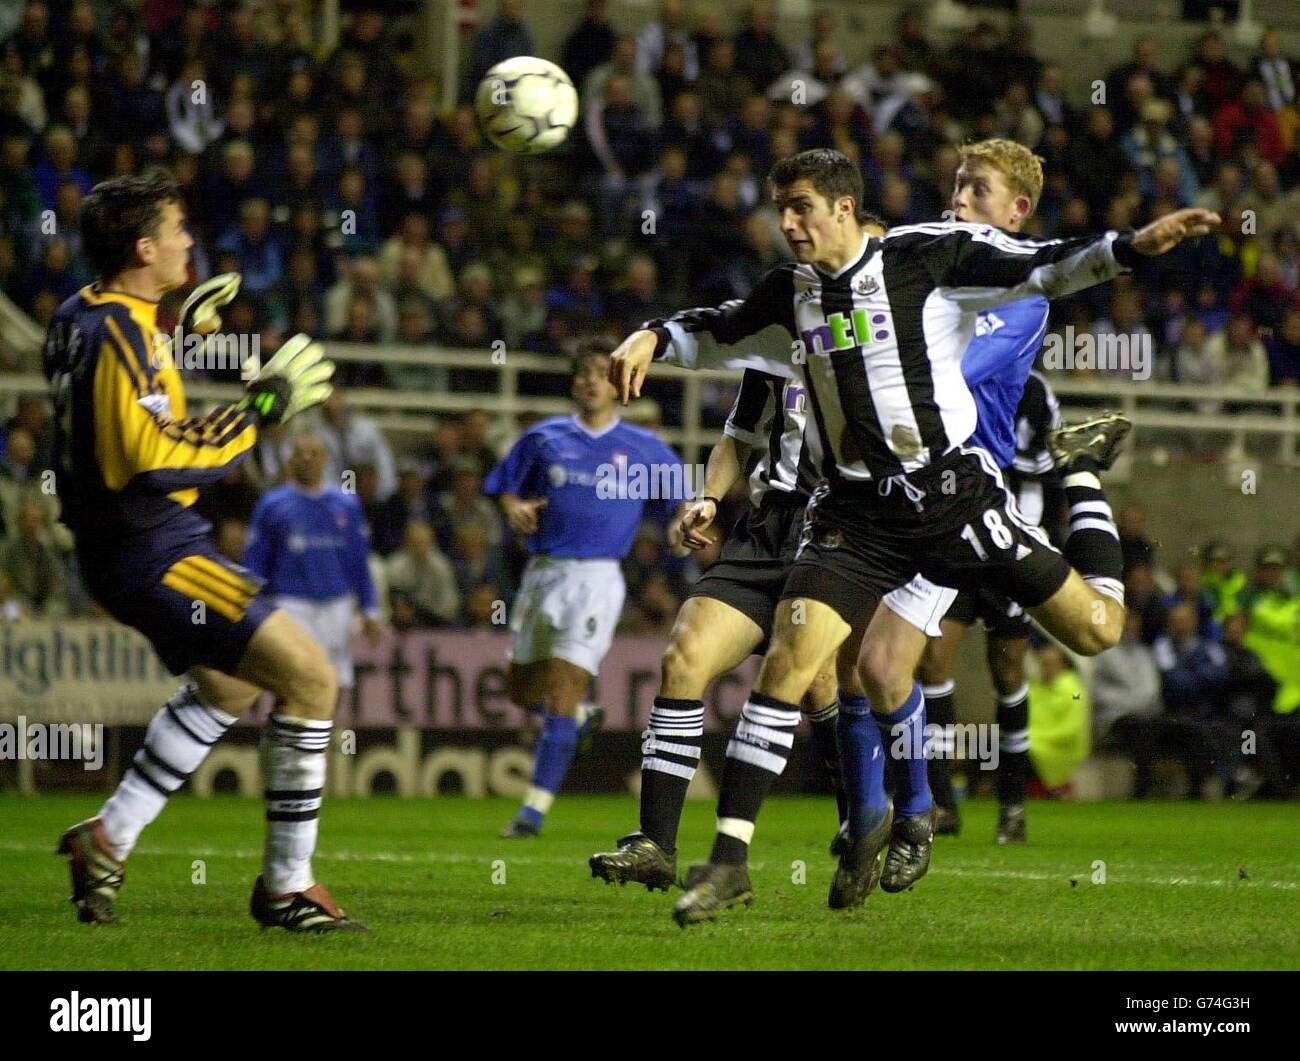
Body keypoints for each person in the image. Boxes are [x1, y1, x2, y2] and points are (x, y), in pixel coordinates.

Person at [609, 147, 1218, 924]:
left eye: (800, 207)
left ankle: (1081, 477)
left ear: (842, 208)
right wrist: (651, 338)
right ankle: (730, 859)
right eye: (780, 207)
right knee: (795, 663)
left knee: (1097, 630)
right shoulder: (788, 295)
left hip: (954, 501)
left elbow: (1045, 266)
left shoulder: (927, 256)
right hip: (854, 516)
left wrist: (1133, 246)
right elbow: (718, 332)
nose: (788, 222)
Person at [46, 172, 361, 932]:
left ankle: (107, 837)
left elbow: (127, 413)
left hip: (127, 544)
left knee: (228, 686)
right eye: (178, 228)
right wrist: (257, 410)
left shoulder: (85, 315)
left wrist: (178, 335)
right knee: (314, 679)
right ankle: (287, 885)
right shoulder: (118, 331)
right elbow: (149, 459)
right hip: (152, 548)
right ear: (144, 245)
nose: (192, 240)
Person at [485, 336, 689, 838]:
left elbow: (681, 504)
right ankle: (577, 720)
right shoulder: (545, 438)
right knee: (520, 690)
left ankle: (532, 812)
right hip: (543, 573)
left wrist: (686, 526)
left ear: (620, 382)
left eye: (601, 371)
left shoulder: (645, 449)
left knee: (563, 689)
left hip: (597, 581)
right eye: (583, 372)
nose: (591, 380)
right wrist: (512, 508)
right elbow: (506, 486)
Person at [243, 428, 383, 700]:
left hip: (337, 603)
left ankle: (325, 738)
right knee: (297, 674)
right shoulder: (272, 505)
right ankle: (293, 738)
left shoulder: (346, 504)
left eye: (313, 453)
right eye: (300, 453)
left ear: (326, 459)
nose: (307, 458)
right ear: (290, 460)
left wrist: (370, 610)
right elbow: (255, 561)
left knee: (334, 679)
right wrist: (251, 604)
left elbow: (358, 561)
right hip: (290, 602)